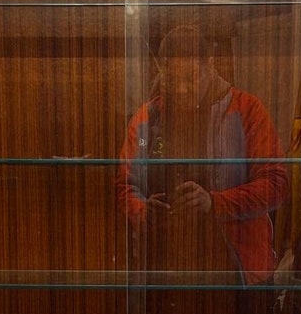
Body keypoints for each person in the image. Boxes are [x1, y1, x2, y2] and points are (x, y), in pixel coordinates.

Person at [116, 23, 288, 284]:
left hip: (239, 270)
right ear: (162, 73)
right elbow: (126, 186)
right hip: (165, 268)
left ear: (211, 64)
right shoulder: (146, 118)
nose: (182, 89)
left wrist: (215, 202)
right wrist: (144, 211)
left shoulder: (248, 110)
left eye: (191, 78)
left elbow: (276, 184)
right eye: (172, 80)